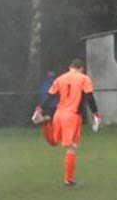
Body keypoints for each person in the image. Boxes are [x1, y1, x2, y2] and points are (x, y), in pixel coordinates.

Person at [32, 59, 100, 187]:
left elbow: (50, 95)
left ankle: (46, 123)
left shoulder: (60, 78)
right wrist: (95, 113)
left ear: (70, 67)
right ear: (81, 68)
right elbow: (89, 96)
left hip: (59, 114)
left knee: (54, 142)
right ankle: (68, 180)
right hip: (72, 116)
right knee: (72, 147)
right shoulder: (84, 78)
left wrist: (40, 108)